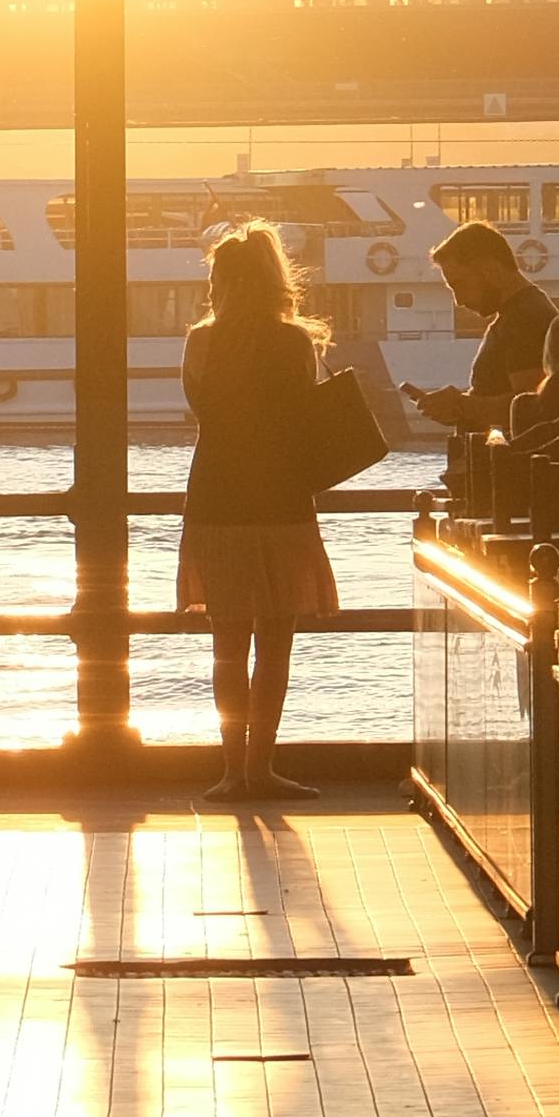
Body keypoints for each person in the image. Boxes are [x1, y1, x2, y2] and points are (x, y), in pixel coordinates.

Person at [176, 218, 341, 792]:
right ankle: (259, 768)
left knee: (227, 647)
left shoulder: (201, 341)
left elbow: (202, 411)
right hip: (282, 504)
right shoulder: (294, 343)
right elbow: (305, 425)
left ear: (223, 281)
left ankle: (229, 773)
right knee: (274, 647)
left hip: (216, 502)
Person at [419, 217, 558, 461]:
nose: (458, 301)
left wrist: (460, 405)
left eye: (459, 284)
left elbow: (529, 407)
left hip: (511, 475)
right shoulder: (520, 313)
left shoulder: (525, 319)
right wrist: (460, 404)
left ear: (489, 268)